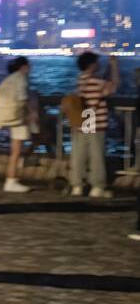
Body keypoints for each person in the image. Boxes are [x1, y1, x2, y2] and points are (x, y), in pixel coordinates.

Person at [68, 51, 118, 198]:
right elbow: (113, 87)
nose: (98, 64)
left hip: (82, 120)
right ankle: (97, 187)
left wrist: (109, 67)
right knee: (97, 156)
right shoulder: (96, 82)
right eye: (96, 62)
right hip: (95, 121)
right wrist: (114, 66)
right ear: (91, 65)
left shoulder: (80, 80)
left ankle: (77, 185)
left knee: (79, 155)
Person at [0, 56, 33, 193]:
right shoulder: (21, 78)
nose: (30, 68)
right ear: (23, 67)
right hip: (19, 117)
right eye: (28, 65)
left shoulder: (10, 78)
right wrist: (32, 113)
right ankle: (11, 179)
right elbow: (23, 98)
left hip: (10, 115)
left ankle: (13, 178)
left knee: (16, 150)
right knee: (16, 151)